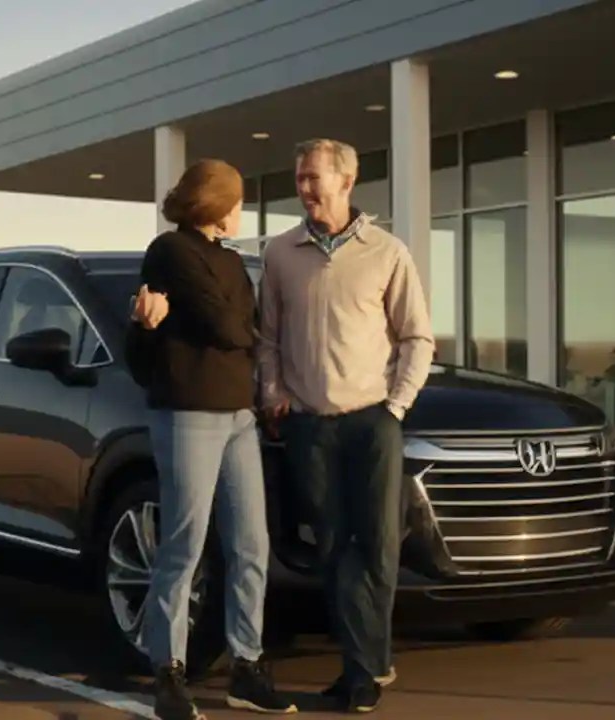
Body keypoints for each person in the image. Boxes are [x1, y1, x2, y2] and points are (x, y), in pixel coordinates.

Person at [256, 139, 435, 713]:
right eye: (300, 178)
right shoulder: (280, 253)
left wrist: (397, 406)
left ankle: (365, 667)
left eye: (313, 177)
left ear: (346, 179)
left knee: (379, 549)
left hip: (373, 425)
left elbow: (417, 338)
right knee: (334, 551)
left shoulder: (387, 252)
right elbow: (268, 340)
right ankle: (364, 671)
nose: (304, 188)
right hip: (310, 427)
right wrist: (273, 390)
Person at [125, 158, 297, 720]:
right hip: (188, 414)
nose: (240, 211)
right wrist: (241, 331)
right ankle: (168, 674)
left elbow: (235, 324)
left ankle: (247, 665)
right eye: (236, 200)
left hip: (237, 416)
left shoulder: (227, 261)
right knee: (184, 544)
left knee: (252, 545)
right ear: (214, 203)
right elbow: (223, 327)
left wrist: (242, 333)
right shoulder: (170, 252)